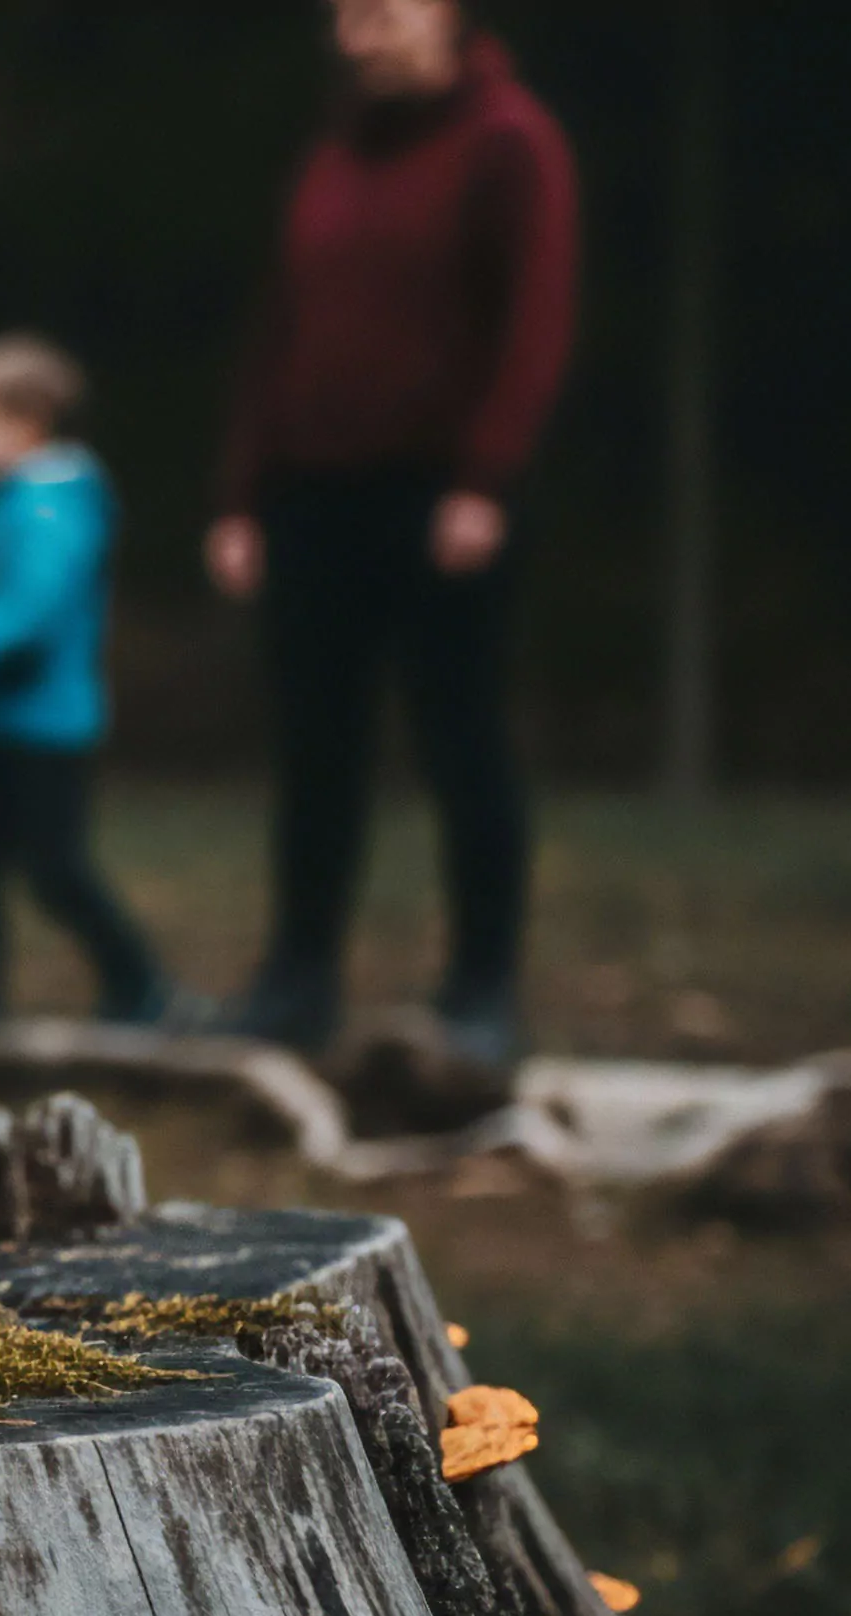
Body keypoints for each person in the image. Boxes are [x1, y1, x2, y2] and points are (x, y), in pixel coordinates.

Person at [205, 0, 578, 1069]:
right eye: (345, 18)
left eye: (381, 13)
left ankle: (481, 988)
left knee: (462, 738)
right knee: (316, 744)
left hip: (440, 495)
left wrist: (486, 480)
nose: (357, 34)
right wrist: (241, 494)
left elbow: (535, 321)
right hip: (311, 493)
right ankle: (297, 977)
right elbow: (277, 329)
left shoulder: (509, 140)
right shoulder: (331, 154)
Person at [0, 333, 177, 1045]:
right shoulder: (6, 499)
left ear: (28, 424)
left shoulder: (52, 506)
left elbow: (31, 610)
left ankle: (140, 985)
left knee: (55, 870)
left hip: (44, 728)